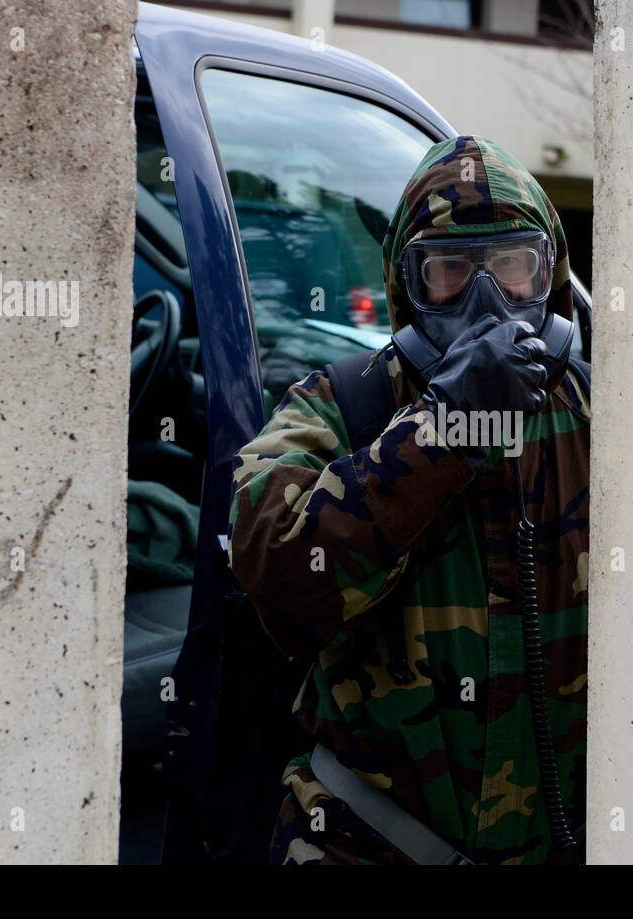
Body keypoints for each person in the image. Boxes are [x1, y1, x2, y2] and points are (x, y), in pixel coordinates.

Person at [226, 134, 590, 865]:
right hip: (364, 842)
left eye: (514, 266)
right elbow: (277, 577)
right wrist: (439, 430)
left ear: (548, 275)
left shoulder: (602, 408)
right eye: (450, 270)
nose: (488, 298)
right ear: (406, 282)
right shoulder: (344, 404)